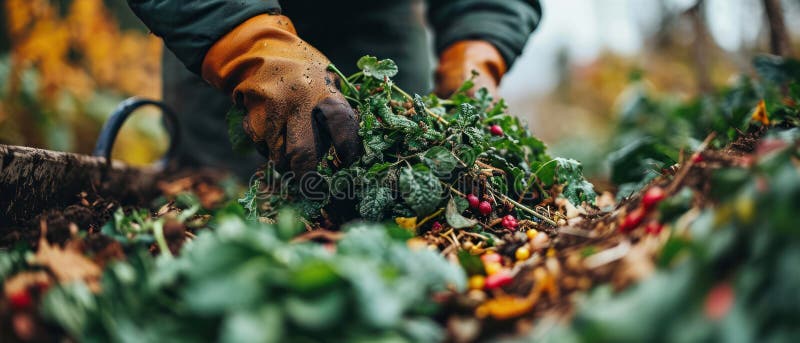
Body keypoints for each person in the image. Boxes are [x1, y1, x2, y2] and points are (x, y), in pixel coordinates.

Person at [127, 0, 542, 180]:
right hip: (227, 15)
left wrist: (479, 46)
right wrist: (245, 45)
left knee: (403, 173)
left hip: (377, 22)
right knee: (230, 198)